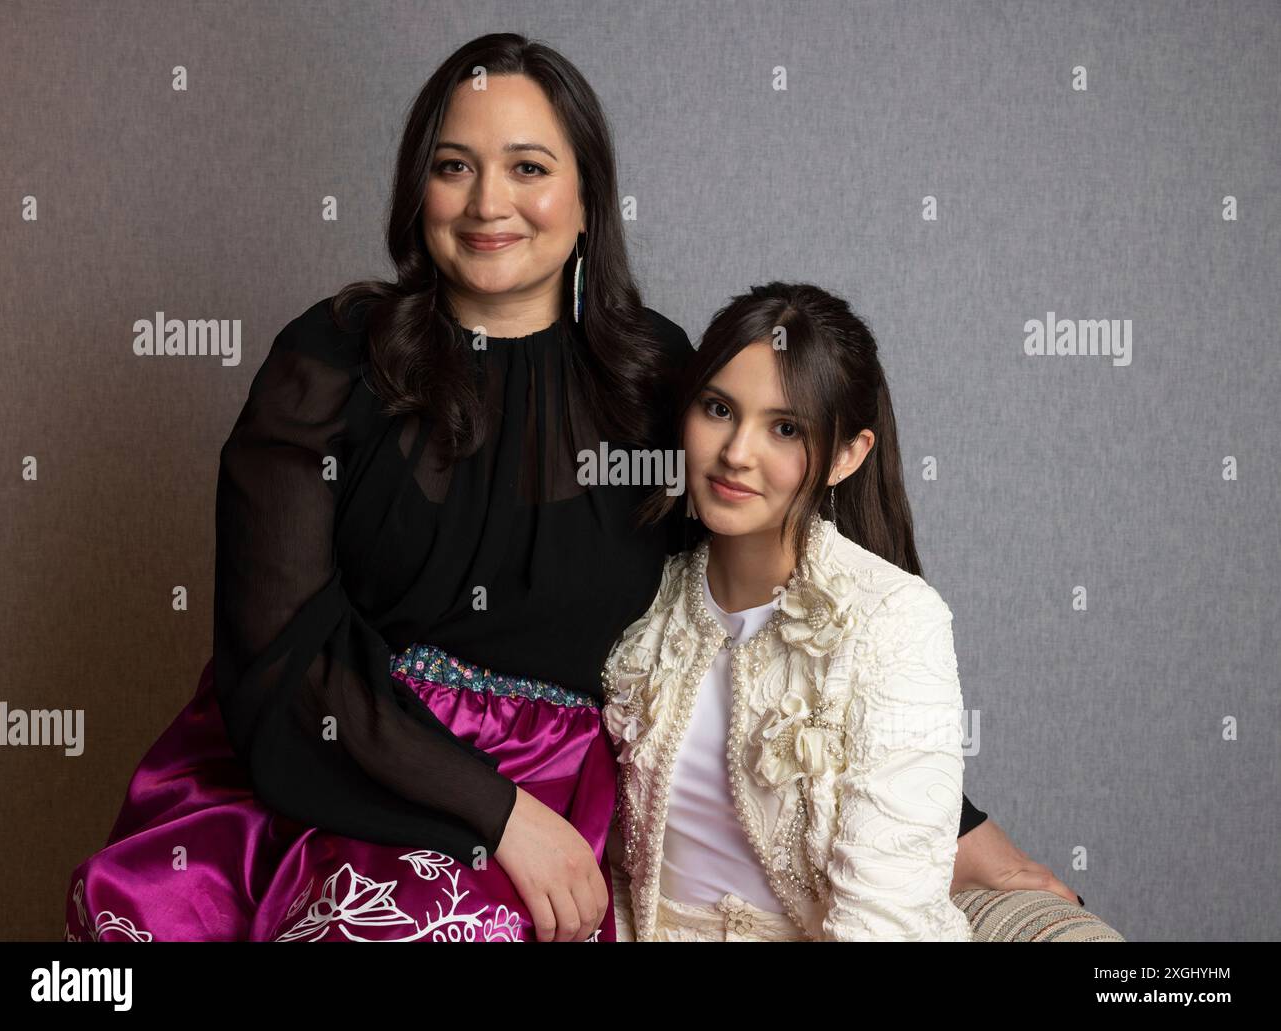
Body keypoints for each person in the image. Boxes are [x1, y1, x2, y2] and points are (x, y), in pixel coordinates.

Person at [63, 33, 1070, 944]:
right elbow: (277, 648)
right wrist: (498, 815)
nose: (487, 201)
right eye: (453, 167)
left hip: (558, 795)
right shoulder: (328, 361)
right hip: (327, 768)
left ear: (589, 198)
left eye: (528, 169)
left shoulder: (656, 382)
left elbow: (762, 615)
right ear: (418, 190)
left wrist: (965, 830)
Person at [603, 282, 1124, 941]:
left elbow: (885, 918)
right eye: (718, 409)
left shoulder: (895, 621)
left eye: (785, 427)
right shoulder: (647, 599)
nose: (737, 452)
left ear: (848, 455)